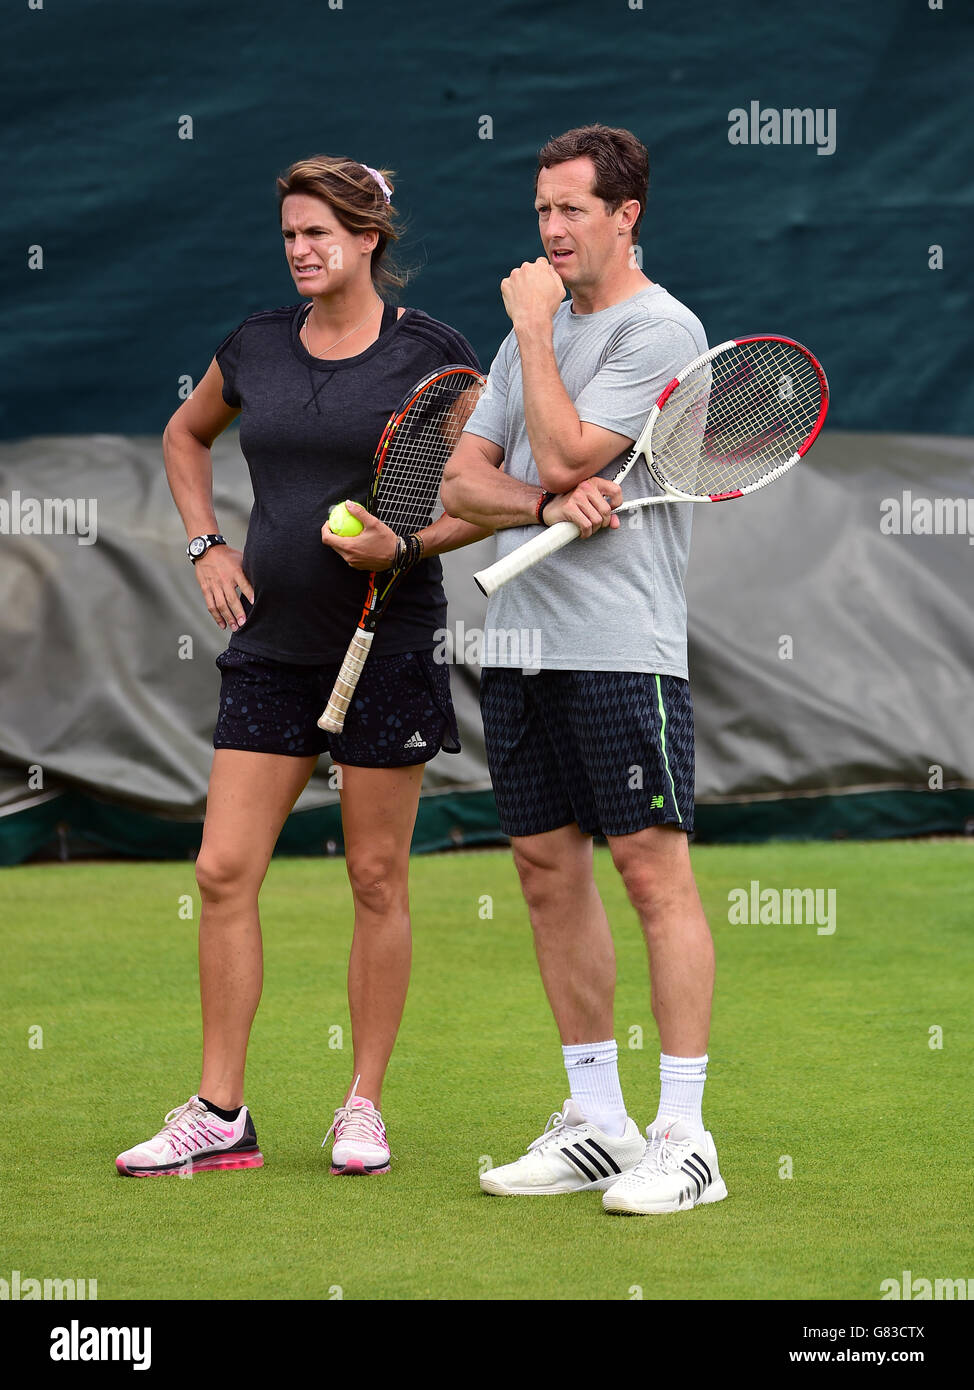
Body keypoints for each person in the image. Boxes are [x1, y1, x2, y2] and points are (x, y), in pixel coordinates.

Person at [116, 155, 485, 1179]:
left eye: (319, 232)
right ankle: (221, 1113)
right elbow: (185, 435)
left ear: (369, 237)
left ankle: (361, 1104)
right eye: (288, 234)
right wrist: (207, 546)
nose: (300, 250)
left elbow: (483, 491)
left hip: (388, 646)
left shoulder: (436, 357)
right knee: (221, 869)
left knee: (374, 875)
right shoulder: (254, 346)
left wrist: (401, 548)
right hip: (271, 650)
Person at [441, 125, 727, 1214]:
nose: (550, 231)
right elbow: (472, 483)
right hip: (519, 640)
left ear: (626, 215)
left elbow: (562, 450)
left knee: (652, 874)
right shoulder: (537, 334)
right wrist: (542, 505)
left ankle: (685, 1137)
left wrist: (530, 335)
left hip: (621, 647)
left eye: (570, 209)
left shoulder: (661, 331)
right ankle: (597, 1123)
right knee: (542, 871)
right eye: (540, 211)